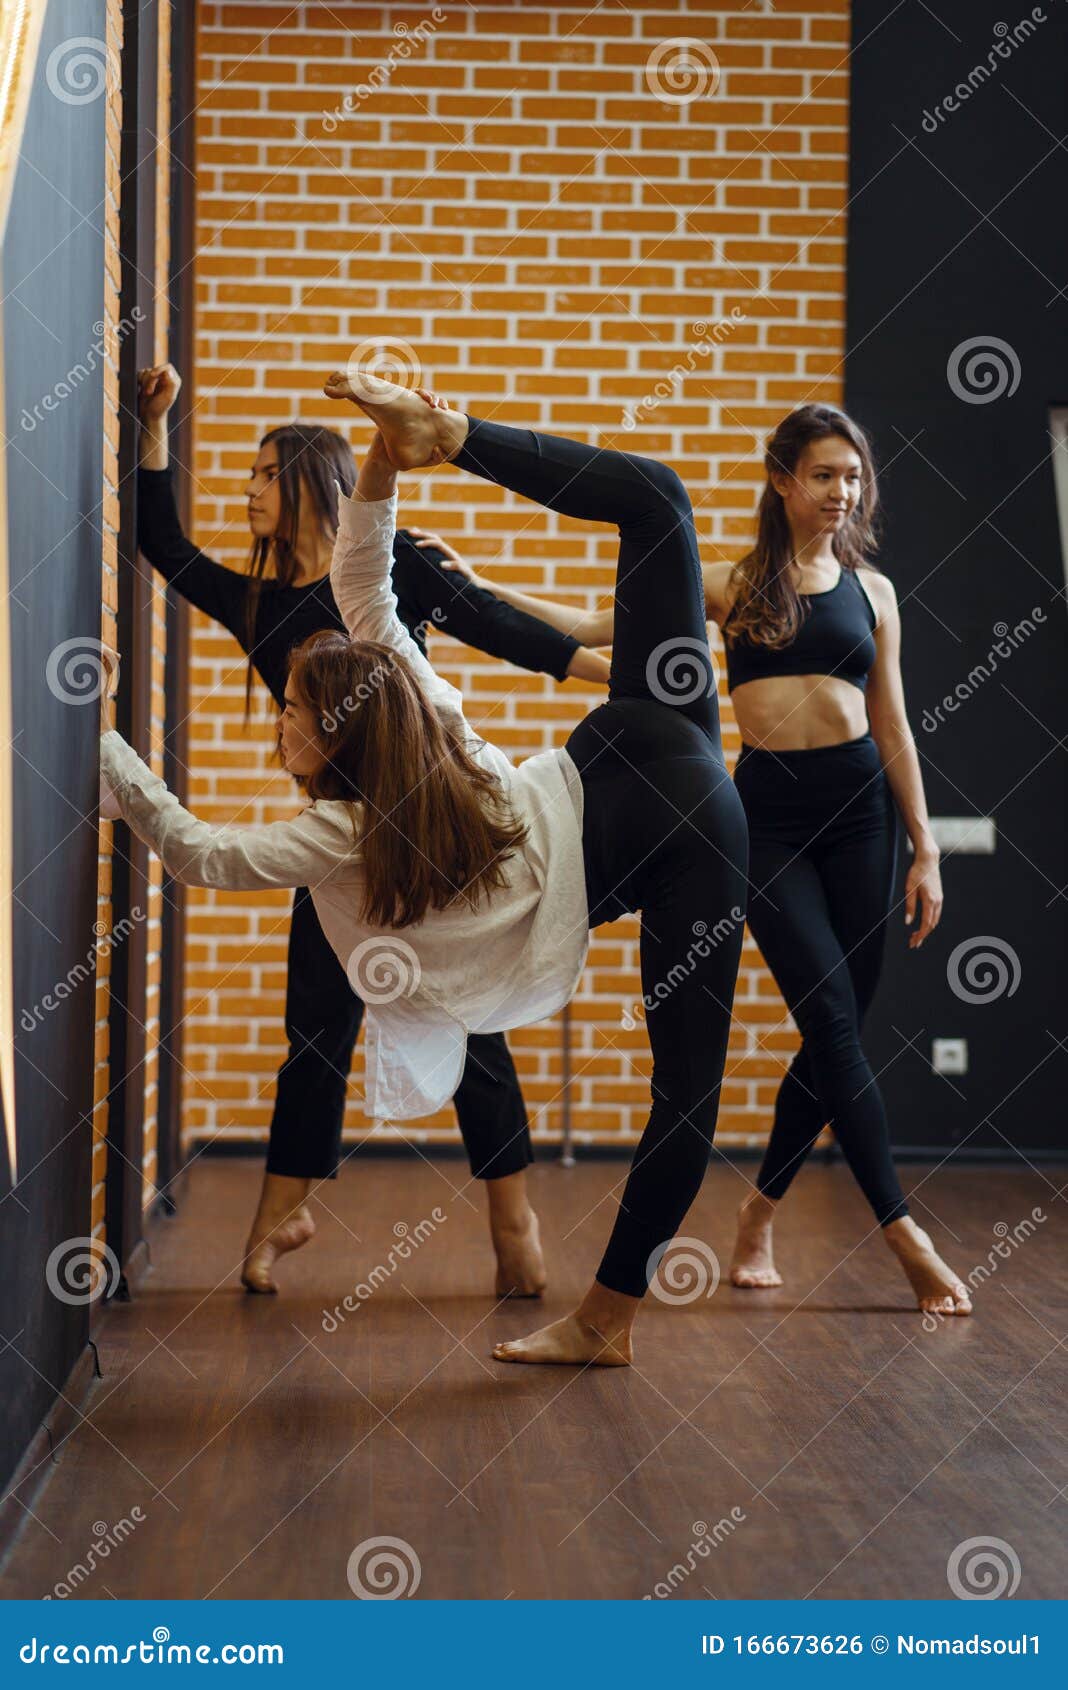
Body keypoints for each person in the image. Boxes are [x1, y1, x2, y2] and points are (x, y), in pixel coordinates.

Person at [99, 375, 750, 1366]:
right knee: (659, 499)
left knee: (685, 1090)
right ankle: (455, 434)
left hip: (670, 814)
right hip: (657, 744)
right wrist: (389, 465)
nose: (278, 726)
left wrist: (103, 746)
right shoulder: (429, 721)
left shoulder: (345, 829)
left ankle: (600, 1318)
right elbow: (367, 593)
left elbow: (200, 850)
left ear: (333, 734)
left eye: (290, 713)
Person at [426, 403, 970, 1320]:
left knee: (836, 1033)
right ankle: (905, 1234)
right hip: (766, 822)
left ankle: (760, 1213)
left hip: (860, 817)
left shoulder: (874, 595)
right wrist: (481, 585)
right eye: (824, 475)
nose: (841, 492)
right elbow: (595, 627)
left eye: (853, 477)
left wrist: (926, 846)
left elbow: (893, 724)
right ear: (782, 480)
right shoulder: (734, 585)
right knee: (830, 1020)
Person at [135, 364, 610, 1298]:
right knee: (314, 1031)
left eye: (266, 475)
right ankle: (279, 1218)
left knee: (472, 1026)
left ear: (316, 482)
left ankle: (514, 1225)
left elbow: (502, 629)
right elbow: (162, 542)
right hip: (337, 847)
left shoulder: (392, 568)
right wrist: (157, 421)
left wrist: (637, 680)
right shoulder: (258, 603)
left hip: (430, 837)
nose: (248, 491)